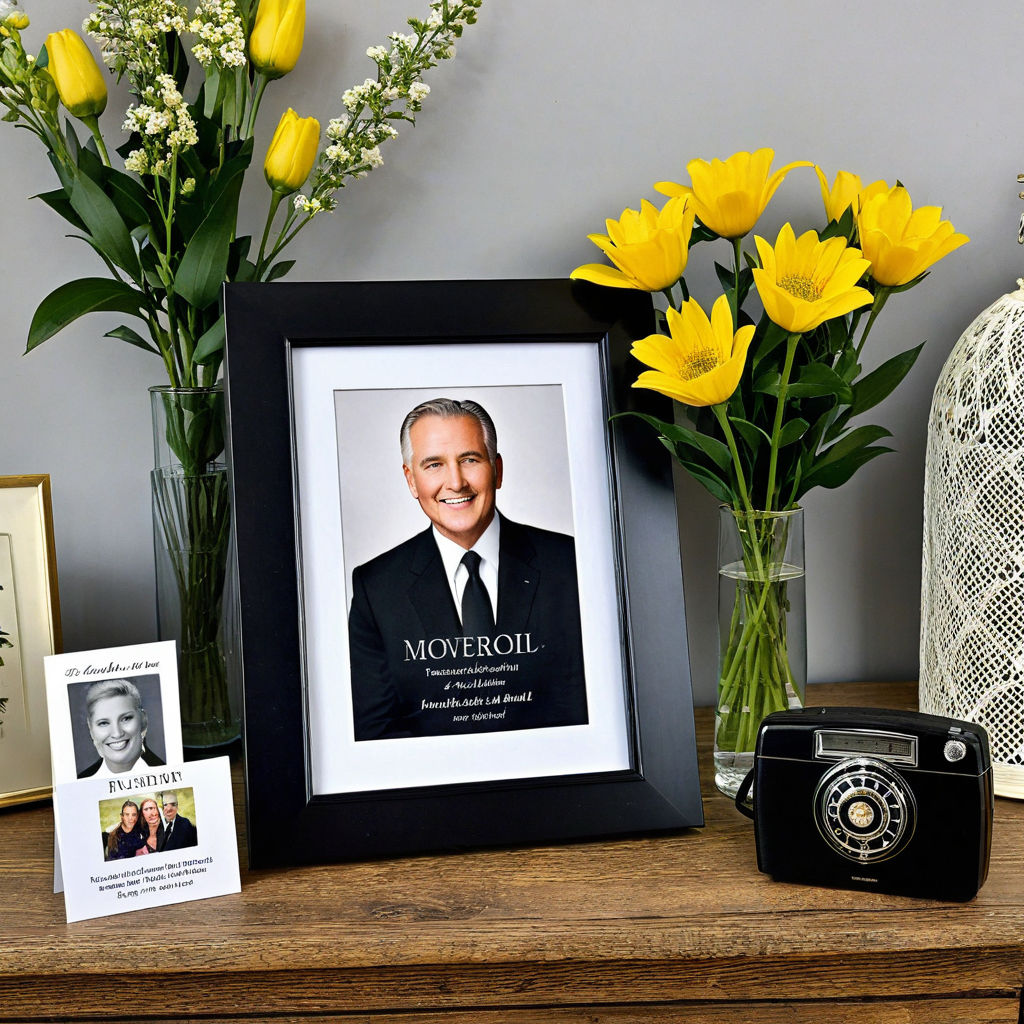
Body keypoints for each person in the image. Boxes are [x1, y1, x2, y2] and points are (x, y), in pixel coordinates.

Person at [348, 397, 588, 740]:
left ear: (497, 469)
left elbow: (586, 710)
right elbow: (375, 732)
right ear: (411, 480)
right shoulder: (375, 587)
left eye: (470, 459)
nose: (456, 482)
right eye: (434, 465)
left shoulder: (571, 565)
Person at [77, 678, 164, 778]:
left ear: (143, 720)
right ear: (91, 728)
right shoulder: (80, 782)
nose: (117, 733)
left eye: (126, 718)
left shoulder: (170, 771)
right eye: (104, 723)